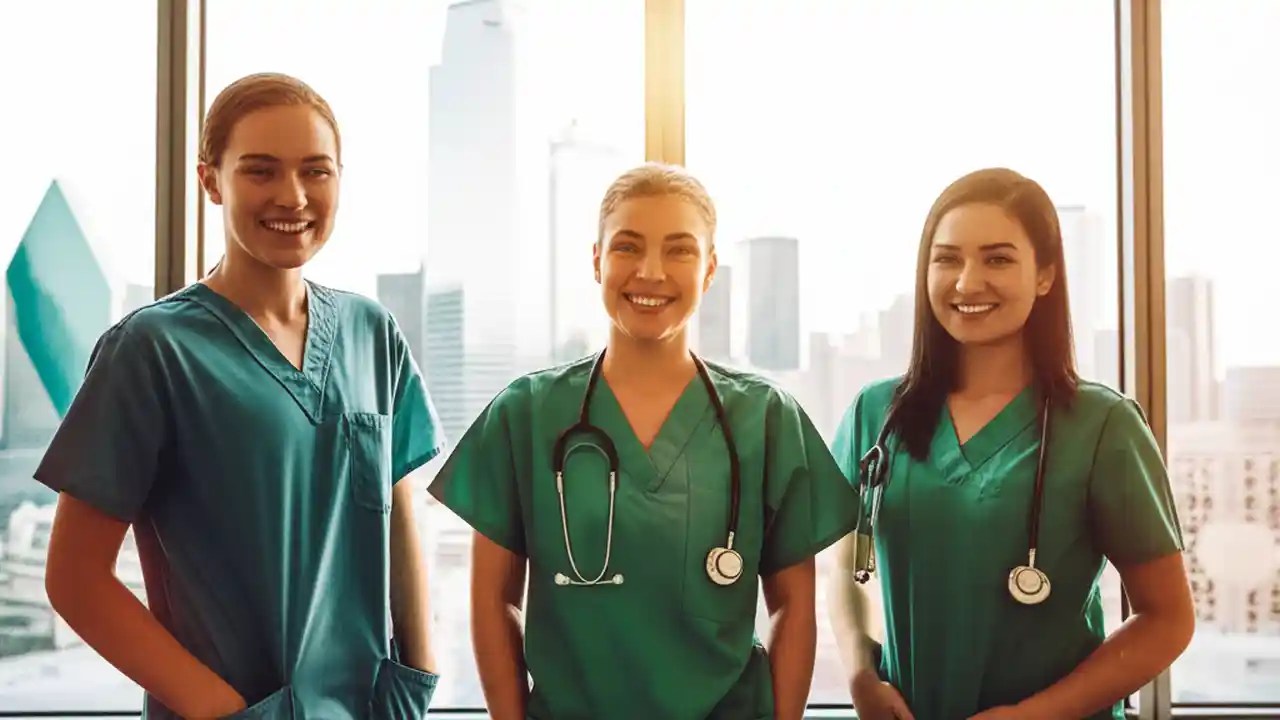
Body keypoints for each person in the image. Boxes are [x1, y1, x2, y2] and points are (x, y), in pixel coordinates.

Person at [38, 72, 444, 719]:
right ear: (210, 181)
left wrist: (417, 676)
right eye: (261, 171)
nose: (293, 196)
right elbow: (76, 579)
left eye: (317, 171)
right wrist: (224, 710)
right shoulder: (152, 350)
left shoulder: (373, 332)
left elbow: (399, 514)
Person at [428, 163, 858, 720]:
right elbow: (492, 600)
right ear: (597, 261)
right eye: (628, 247)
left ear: (709, 270)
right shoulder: (526, 413)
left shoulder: (766, 418)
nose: (650, 272)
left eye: (679, 250)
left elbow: (795, 607)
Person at [827, 167, 1196, 720]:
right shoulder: (876, 414)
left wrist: (1035, 715)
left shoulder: (1103, 426)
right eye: (947, 258)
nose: (967, 282)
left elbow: (1167, 618)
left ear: (1045, 275)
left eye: (997, 258)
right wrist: (860, 673)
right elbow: (845, 567)